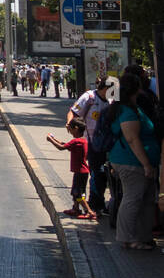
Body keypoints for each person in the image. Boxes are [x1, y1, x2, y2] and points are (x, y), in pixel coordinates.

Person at [104, 74, 160, 249]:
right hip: (132, 162)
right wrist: (146, 164)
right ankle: (128, 238)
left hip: (132, 161)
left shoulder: (129, 107)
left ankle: (142, 236)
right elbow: (132, 139)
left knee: (145, 200)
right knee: (133, 198)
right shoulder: (127, 111)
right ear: (136, 88)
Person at [69, 77, 113, 215]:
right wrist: (70, 125)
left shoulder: (112, 100)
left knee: (106, 175)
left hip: (109, 144)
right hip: (92, 143)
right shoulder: (89, 97)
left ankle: (99, 203)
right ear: (105, 88)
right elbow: (73, 112)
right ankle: (94, 205)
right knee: (97, 174)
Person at [46, 120, 94, 218]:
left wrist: (51, 140)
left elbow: (61, 147)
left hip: (80, 171)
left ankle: (89, 211)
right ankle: (76, 208)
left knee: (79, 194)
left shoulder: (77, 141)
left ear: (76, 128)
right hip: (81, 171)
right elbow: (66, 144)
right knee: (75, 191)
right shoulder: (83, 140)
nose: (70, 132)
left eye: (70, 130)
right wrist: (55, 139)